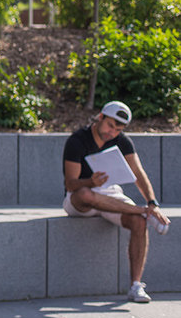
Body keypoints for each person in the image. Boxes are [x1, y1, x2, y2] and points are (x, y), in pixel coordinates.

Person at [62, 100, 170, 303]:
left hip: (109, 195)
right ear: (100, 117)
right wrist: (90, 181)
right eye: (110, 126)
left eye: (118, 129)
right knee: (86, 193)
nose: (113, 132)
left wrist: (152, 202)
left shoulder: (122, 141)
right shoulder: (77, 140)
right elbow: (70, 184)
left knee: (138, 223)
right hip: (80, 198)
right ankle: (141, 210)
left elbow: (138, 173)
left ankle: (136, 286)